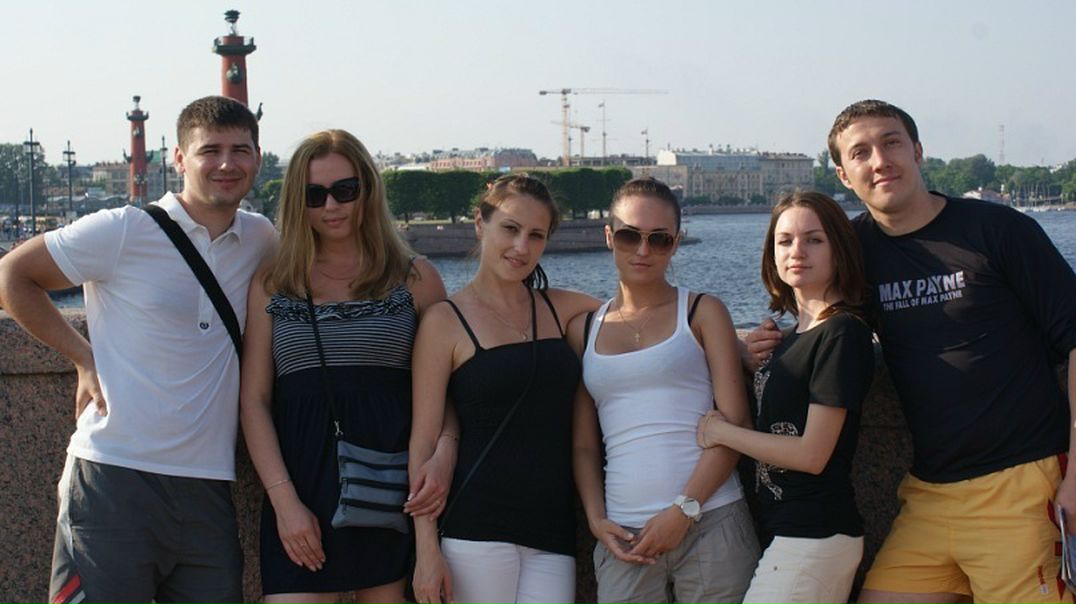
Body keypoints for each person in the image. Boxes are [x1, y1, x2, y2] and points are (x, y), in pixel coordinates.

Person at [746, 99, 1076, 603]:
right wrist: (760, 344)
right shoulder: (856, 248)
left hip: (1019, 485)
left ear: (918, 151)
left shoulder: (998, 230)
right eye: (860, 152)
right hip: (928, 493)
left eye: (891, 142)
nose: (879, 161)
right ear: (843, 174)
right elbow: (819, 313)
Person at [0, 96, 276, 604]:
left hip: (208, 483)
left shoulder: (261, 238)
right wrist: (82, 356)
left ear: (257, 158)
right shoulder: (124, 230)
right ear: (179, 159)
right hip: (112, 475)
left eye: (240, 150)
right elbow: (12, 276)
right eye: (210, 150)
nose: (226, 164)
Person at [238, 129, 453, 603]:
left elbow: (448, 392)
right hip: (300, 495)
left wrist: (444, 454)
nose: (331, 206)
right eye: (314, 195)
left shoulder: (415, 278)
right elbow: (254, 400)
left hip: (392, 494)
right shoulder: (274, 283)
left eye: (345, 190)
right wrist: (284, 502)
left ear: (367, 191)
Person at [409, 174, 598, 604]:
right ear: (481, 223)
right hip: (476, 530)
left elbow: (643, 318)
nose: (521, 247)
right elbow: (422, 441)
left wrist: (735, 347)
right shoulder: (444, 321)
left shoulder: (562, 307)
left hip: (552, 531)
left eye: (536, 235)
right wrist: (426, 550)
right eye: (510, 229)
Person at [571, 177, 759, 604]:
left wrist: (684, 510)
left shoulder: (702, 312)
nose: (643, 250)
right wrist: (596, 519)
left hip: (712, 520)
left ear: (676, 242)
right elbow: (584, 445)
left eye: (659, 239)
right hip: (624, 535)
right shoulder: (583, 329)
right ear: (608, 236)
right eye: (629, 236)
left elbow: (736, 424)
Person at [698, 190, 874, 603]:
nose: (797, 251)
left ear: (839, 251)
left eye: (814, 240)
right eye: (785, 240)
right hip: (788, 533)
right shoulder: (793, 337)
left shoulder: (842, 333)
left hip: (815, 535)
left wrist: (721, 432)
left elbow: (813, 454)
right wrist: (748, 359)